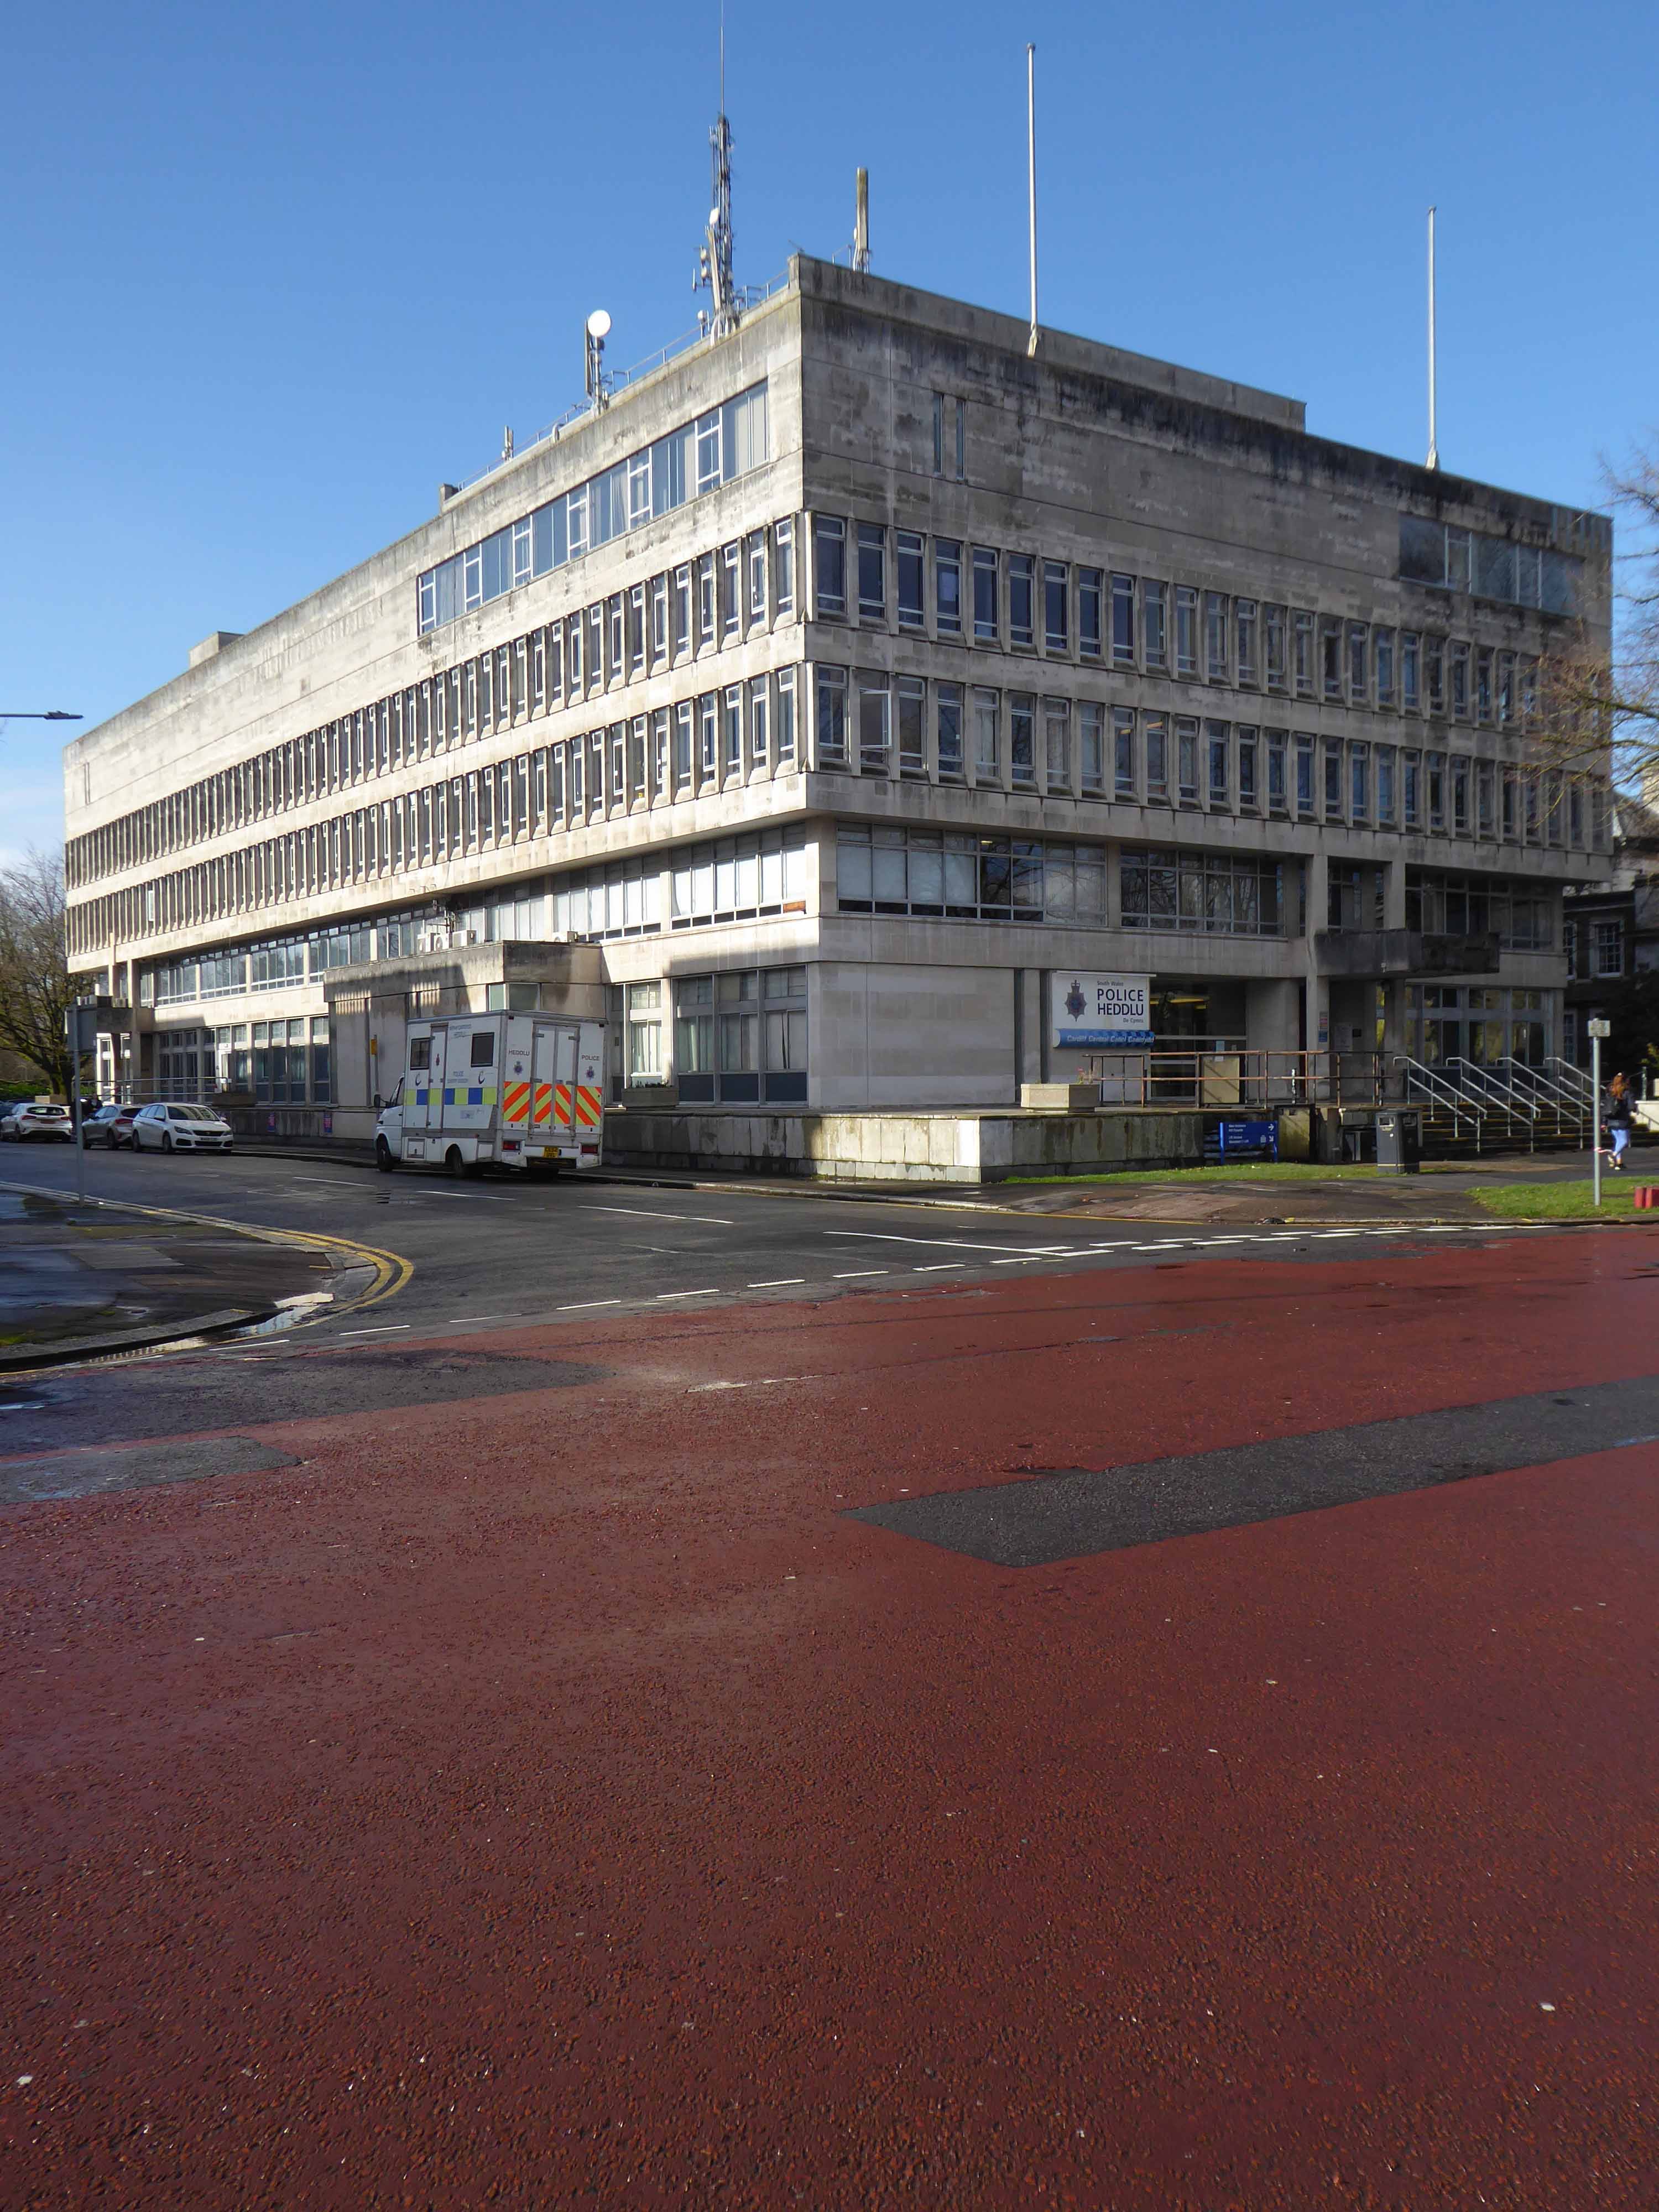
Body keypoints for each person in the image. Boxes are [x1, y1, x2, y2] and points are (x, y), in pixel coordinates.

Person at [1603, 1072, 1634, 1172]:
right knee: (1624, 1141)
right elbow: (1631, 1107)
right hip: (1623, 1120)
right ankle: (1613, 1155)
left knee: (1618, 1141)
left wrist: (1604, 1122)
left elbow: (1606, 1106)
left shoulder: (1610, 1091)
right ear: (1625, 1081)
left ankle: (1619, 1163)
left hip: (1611, 1120)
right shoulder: (1627, 1092)